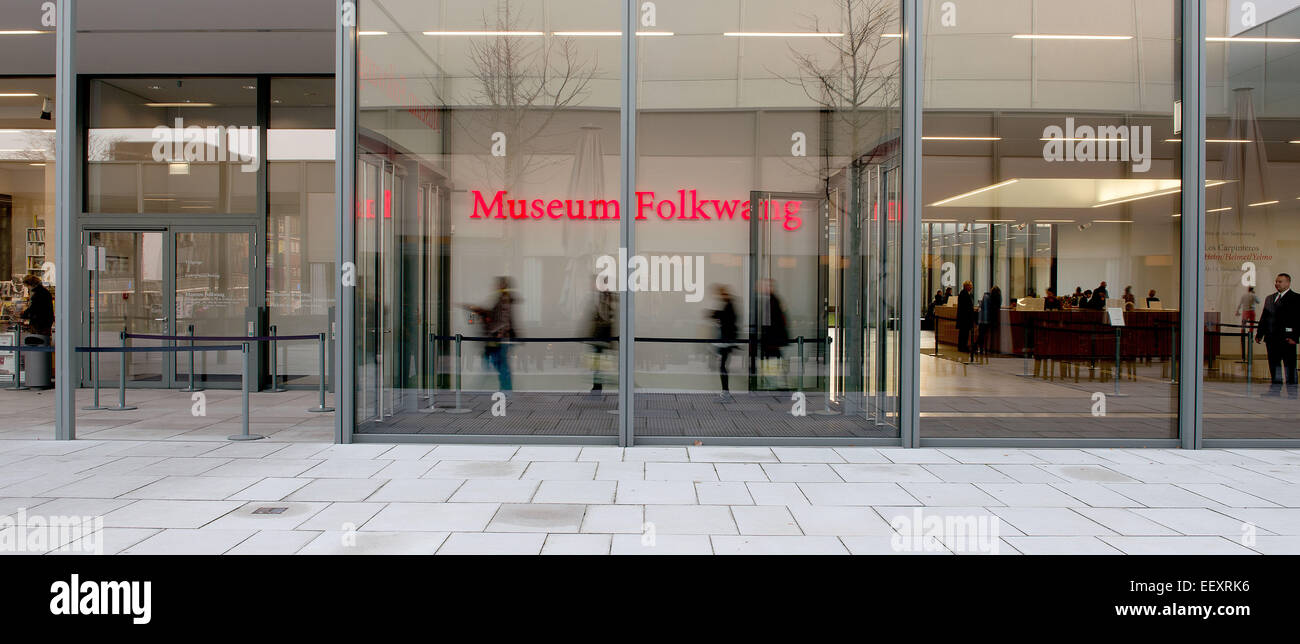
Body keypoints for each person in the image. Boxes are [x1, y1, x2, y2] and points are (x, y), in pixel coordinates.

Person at [463, 276, 518, 391]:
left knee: (499, 364)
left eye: (498, 284)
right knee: (498, 364)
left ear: (502, 285)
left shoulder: (503, 299)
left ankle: (505, 389)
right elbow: (498, 317)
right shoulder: (503, 299)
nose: (495, 286)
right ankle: (504, 388)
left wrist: (496, 331)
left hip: (499, 338)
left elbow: (502, 319)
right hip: (498, 338)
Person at [1255, 273, 1299, 398]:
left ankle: (1292, 392)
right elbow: (1264, 317)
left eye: (1280, 281)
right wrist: (1260, 333)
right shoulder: (1270, 298)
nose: (1277, 284)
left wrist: (1295, 337)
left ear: (1288, 283)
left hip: (1287, 338)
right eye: (1276, 281)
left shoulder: (1296, 298)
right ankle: (1275, 390)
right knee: (1274, 365)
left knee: (1289, 366)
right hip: (1271, 338)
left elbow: (1298, 319)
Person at [707, 284, 739, 399]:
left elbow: (726, 319)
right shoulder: (728, 304)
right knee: (723, 364)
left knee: (723, 365)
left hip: (726, 340)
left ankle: (725, 390)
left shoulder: (728, 304)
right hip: (726, 339)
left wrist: (714, 314)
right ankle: (725, 390)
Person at [757, 278, 790, 388]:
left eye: (763, 286)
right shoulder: (773, 300)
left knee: (773, 362)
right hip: (774, 340)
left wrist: (766, 338)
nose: (760, 288)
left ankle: (774, 384)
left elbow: (771, 323)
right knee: (775, 361)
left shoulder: (772, 301)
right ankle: (777, 383)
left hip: (772, 340)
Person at [586, 278, 616, 393]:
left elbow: (605, 318)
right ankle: (597, 385)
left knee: (599, 362)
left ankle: (598, 385)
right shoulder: (605, 297)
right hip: (600, 336)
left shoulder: (606, 298)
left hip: (601, 336)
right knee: (598, 362)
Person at [976, 285, 1002, 355]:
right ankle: (983, 348)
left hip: (983, 319)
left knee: (981, 335)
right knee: (985, 335)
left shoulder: (987, 297)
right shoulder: (993, 299)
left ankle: (978, 348)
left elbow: (983, 308)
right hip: (988, 319)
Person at [1237, 286, 1260, 359]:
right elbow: (1258, 301)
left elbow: (1240, 303)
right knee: (1252, 324)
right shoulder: (1253, 295)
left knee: (1243, 324)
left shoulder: (1244, 295)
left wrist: (1237, 310)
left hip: (1245, 311)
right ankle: (1250, 336)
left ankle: (1242, 335)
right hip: (1251, 311)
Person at [956, 280, 975, 354]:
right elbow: (966, 307)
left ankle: (962, 346)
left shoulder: (964, 293)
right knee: (964, 333)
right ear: (966, 286)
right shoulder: (964, 294)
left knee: (963, 333)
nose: (971, 287)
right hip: (965, 318)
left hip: (963, 318)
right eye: (970, 286)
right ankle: (963, 346)